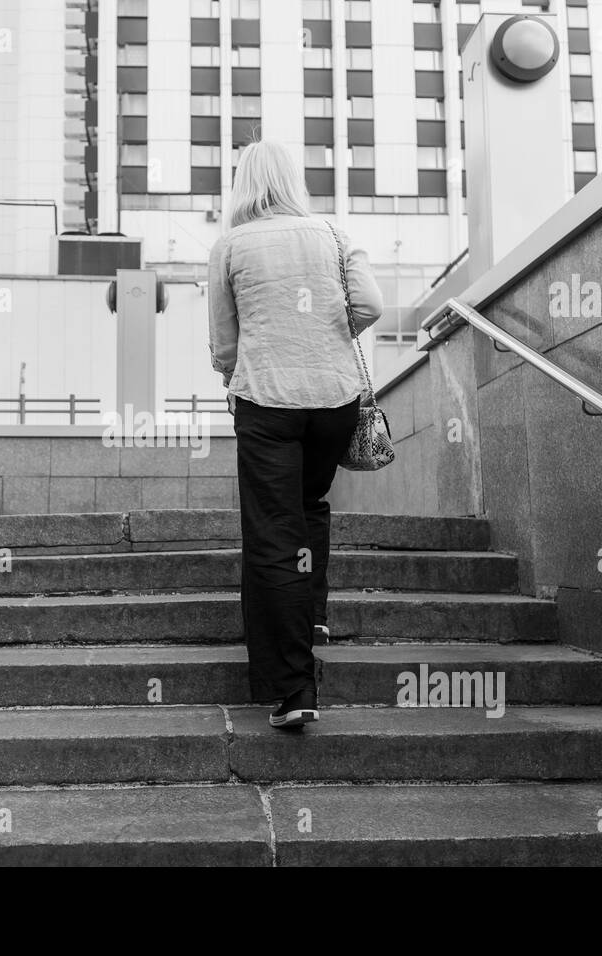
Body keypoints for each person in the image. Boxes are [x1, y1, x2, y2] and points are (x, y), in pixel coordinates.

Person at [207, 140, 383, 729]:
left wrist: (239, 373)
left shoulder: (229, 245)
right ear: (292, 180)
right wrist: (330, 335)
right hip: (334, 398)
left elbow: (224, 343)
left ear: (243, 184)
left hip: (266, 399)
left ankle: (293, 688)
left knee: (273, 532)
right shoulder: (331, 234)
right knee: (309, 507)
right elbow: (370, 304)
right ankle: (311, 613)